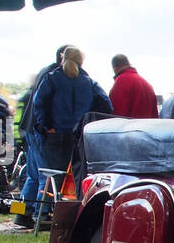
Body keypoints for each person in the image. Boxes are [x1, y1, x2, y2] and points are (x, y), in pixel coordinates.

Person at [27, 46, 113, 229]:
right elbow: (106, 104)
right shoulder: (89, 82)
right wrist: (87, 123)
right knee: (74, 177)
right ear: (82, 61)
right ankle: (69, 216)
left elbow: (38, 103)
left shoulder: (51, 78)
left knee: (50, 176)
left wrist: (47, 126)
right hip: (77, 135)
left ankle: (41, 214)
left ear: (62, 58)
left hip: (54, 135)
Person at [16, 46, 67, 228]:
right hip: (40, 131)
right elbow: (43, 104)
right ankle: (42, 214)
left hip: (30, 128)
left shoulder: (44, 71)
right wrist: (48, 126)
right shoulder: (55, 75)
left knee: (33, 175)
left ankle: (21, 213)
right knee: (46, 173)